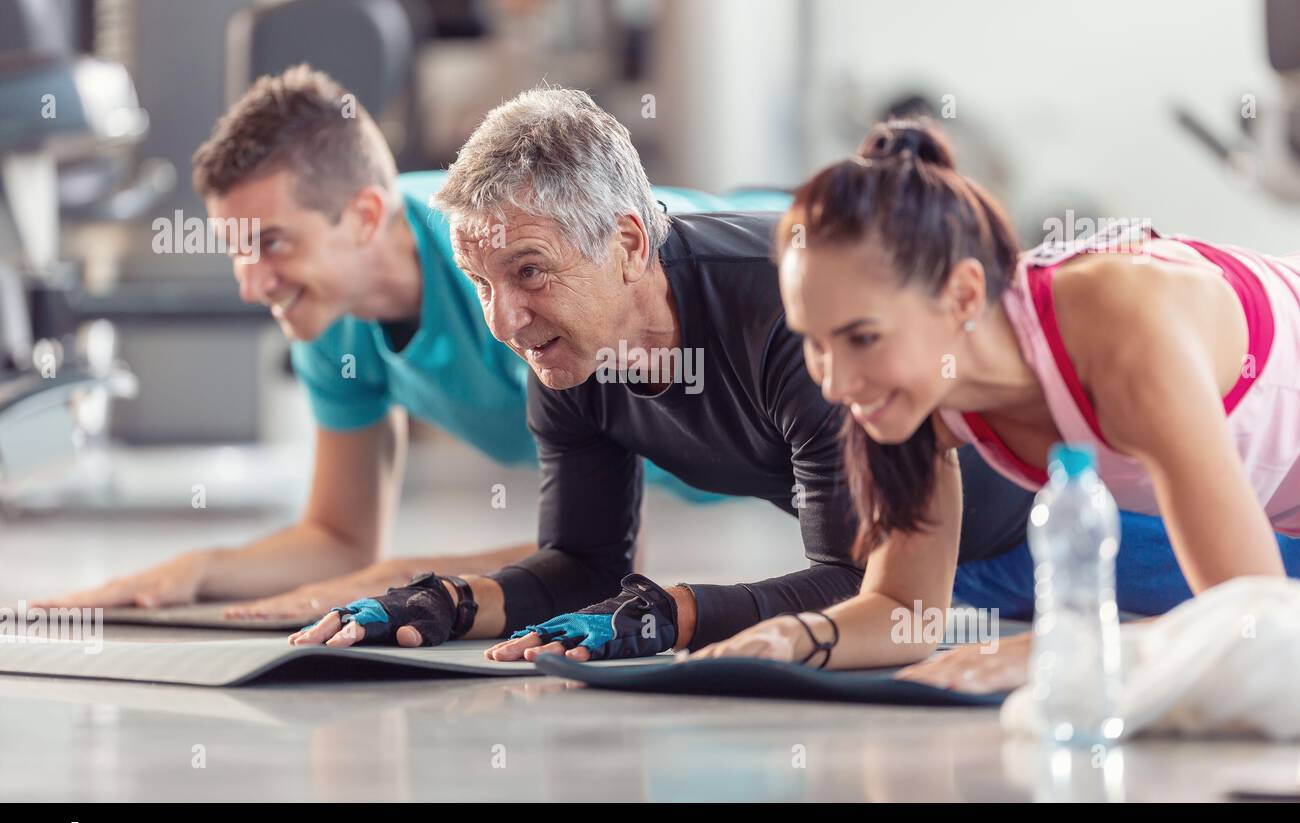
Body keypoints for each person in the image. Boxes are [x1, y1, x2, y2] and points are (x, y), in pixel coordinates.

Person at [289, 87, 1039, 656]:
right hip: (933, 587)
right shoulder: (566, 350)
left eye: (529, 272)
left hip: (1062, 529)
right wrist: (450, 602)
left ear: (626, 242)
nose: (505, 321)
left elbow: (854, 580)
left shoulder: (786, 309)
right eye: (481, 284)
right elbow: (585, 564)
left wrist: (670, 614)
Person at [32, 66, 782, 623]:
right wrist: (198, 572)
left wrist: (405, 579)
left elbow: (621, 560)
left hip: (787, 267)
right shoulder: (334, 324)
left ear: (363, 216)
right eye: (236, 252)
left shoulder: (528, 270)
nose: (252, 284)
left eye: (271, 244)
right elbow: (338, 534)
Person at [692, 118, 1300, 689]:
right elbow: (906, 610)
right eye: (816, 344)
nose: (834, 383)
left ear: (963, 295)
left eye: (863, 338)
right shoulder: (922, 394)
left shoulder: (1126, 333)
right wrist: (795, 638)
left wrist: (1054, 650)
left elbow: (1251, 623)